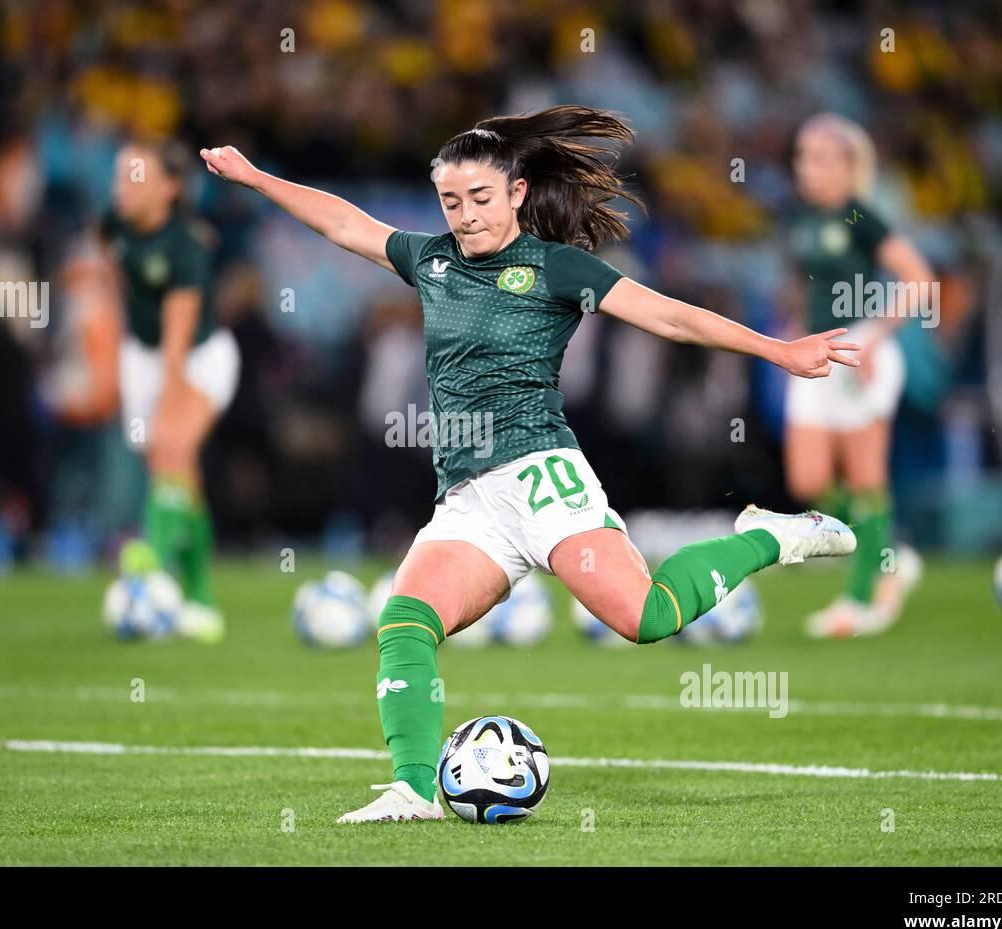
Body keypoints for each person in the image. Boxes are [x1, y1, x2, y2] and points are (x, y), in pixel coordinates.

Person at [201, 106, 860, 822]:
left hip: (541, 475)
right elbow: (343, 222)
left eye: (480, 199)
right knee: (405, 622)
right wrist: (256, 176)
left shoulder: (556, 268)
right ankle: (414, 791)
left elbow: (669, 316)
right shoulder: (432, 261)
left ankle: (772, 536)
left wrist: (779, 350)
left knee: (648, 618)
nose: (465, 216)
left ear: (516, 193)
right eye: (451, 202)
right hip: (467, 499)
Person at [783, 114, 936, 638]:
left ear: (850, 167)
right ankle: (890, 553)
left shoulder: (858, 217)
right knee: (808, 481)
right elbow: (808, 286)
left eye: (822, 158)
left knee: (865, 480)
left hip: (857, 354)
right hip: (814, 356)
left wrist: (873, 338)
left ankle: (861, 596)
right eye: (803, 157)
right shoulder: (801, 217)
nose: (809, 168)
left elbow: (919, 278)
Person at [102, 140, 240, 642]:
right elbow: (117, 277)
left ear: (170, 188)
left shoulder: (186, 249)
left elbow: (178, 336)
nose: (121, 187)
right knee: (172, 468)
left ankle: (161, 574)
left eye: (134, 177)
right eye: (119, 176)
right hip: (141, 354)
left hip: (198, 357)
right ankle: (190, 592)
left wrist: (169, 393)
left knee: (172, 446)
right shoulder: (112, 227)